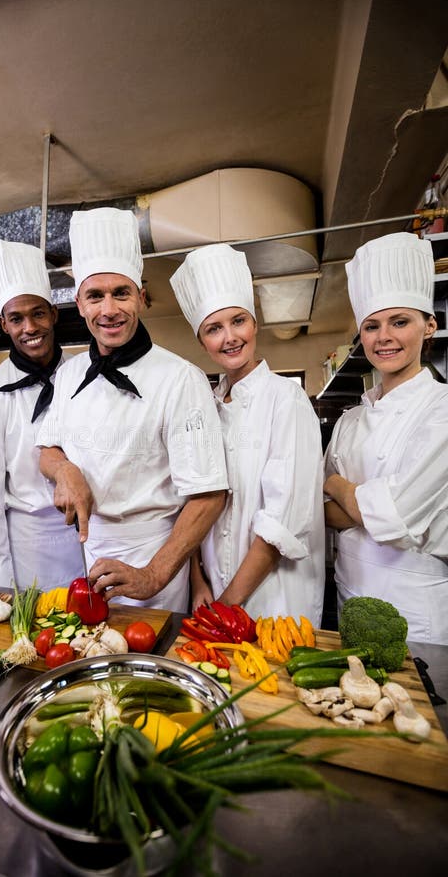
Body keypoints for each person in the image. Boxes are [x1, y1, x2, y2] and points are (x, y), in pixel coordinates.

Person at [36, 207, 228, 611]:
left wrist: (154, 575)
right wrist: (64, 470)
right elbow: (47, 449)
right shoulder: (68, 374)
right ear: (79, 303)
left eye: (121, 293)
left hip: (156, 555)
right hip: (90, 552)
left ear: (141, 297)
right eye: (95, 296)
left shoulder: (180, 378)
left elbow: (209, 496)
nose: (109, 310)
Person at [170, 242, 325, 625]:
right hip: (212, 594)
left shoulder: (286, 399)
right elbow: (188, 499)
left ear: (255, 323)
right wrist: (198, 582)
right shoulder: (202, 406)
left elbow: (280, 524)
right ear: (201, 340)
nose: (229, 338)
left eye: (238, 321)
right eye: (214, 329)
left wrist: (226, 606)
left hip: (273, 596)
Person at [323, 232, 448, 644]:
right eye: (372, 326)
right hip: (350, 594)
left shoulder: (441, 409)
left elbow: (394, 517)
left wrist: (336, 485)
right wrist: (365, 505)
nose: (384, 337)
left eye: (400, 322)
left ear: (429, 325)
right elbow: (321, 512)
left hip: (415, 604)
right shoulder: (351, 419)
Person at [0, 240, 82, 590]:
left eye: (38, 313)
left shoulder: (82, 376)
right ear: (4, 324)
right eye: (16, 318)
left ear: (54, 314)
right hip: (28, 549)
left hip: (88, 541)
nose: (29, 327)